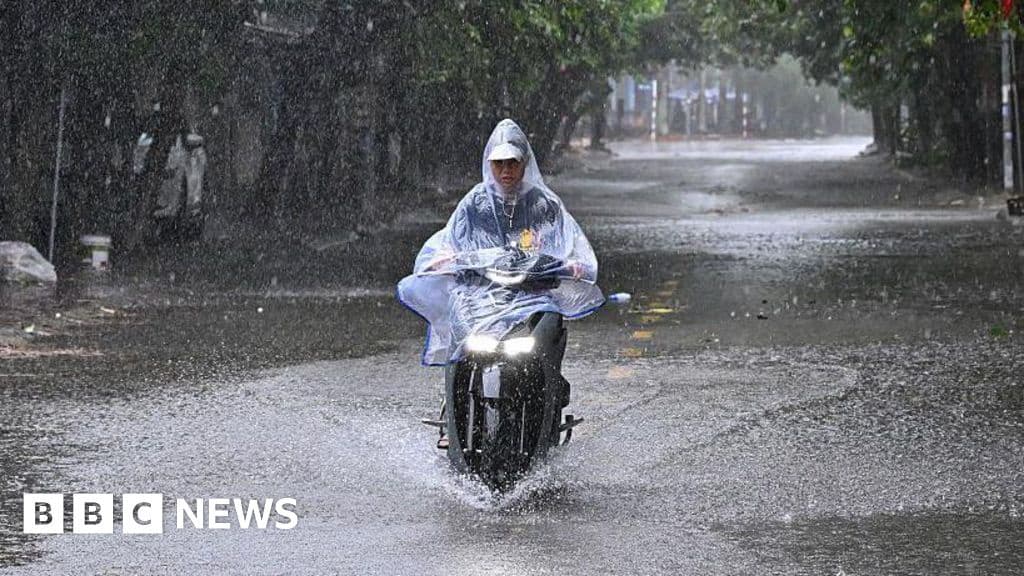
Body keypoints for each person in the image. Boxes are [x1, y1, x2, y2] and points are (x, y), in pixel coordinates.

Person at [396, 119, 604, 447]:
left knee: (549, 332)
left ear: (524, 164)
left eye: (512, 163)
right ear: (489, 165)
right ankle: (451, 415)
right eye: (499, 164)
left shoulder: (544, 204)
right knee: (461, 336)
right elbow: (453, 240)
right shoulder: (474, 204)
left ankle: (550, 401)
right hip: (480, 295)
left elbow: (566, 241)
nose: (506, 171)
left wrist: (574, 264)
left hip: (533, 294)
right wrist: (446, 259)